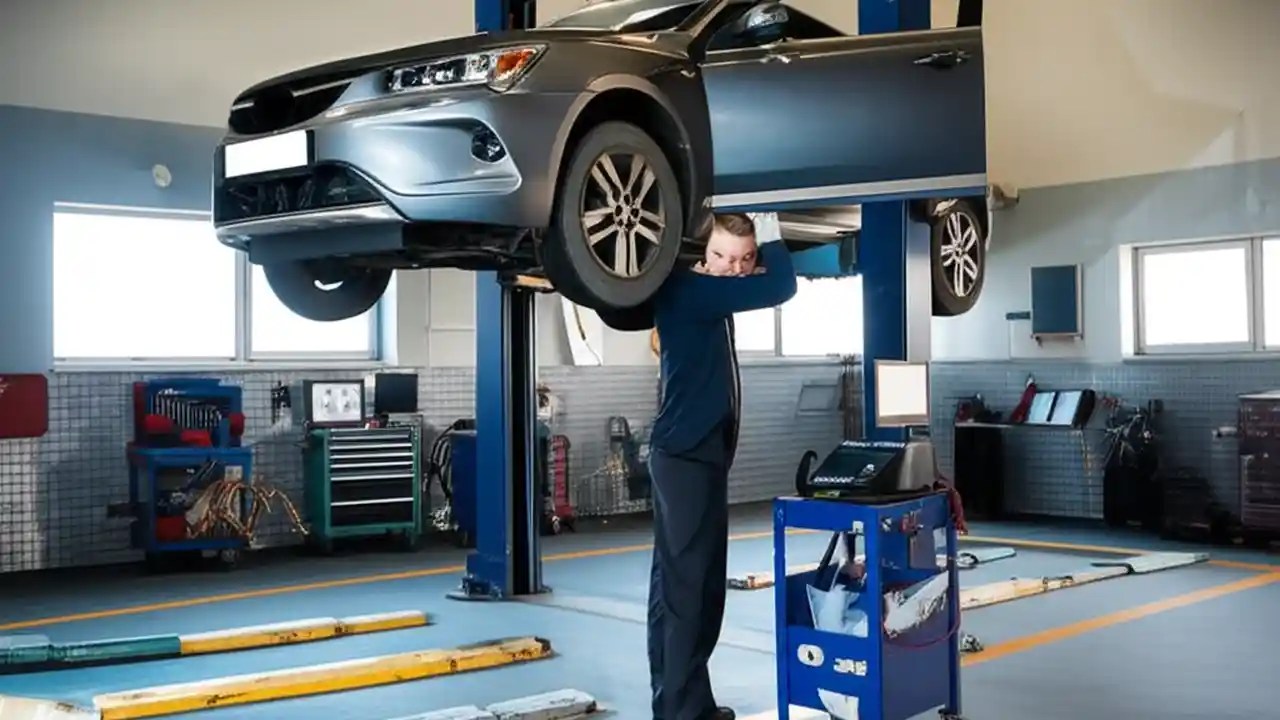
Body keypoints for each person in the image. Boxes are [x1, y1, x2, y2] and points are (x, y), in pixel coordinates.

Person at [646, 212, 797, 720]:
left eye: (744, 259)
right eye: (722, 257)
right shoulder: (693, 289)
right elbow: (782, 286)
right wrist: (771, 231)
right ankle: (682, 711)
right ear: (701, 253)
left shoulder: (708, 297)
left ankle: (682, 704)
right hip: (686, 459)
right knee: (691, 592)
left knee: (680, 588)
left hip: (692, 456)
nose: (733, 269)